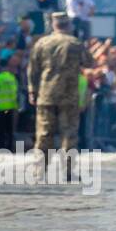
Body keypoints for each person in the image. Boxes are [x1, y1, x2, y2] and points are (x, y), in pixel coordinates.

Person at [26, 13, 89, 172]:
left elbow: (33, 69)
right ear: (68, 25)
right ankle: (68, 170)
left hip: (46, 93)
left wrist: (32, 91)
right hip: (69, 94)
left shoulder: (42, 43)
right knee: (69, 133)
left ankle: (40, 168)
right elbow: (89, 61)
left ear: (53, 24)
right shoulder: (75, 43)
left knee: (44, 133)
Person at [0, 53, 18, 152]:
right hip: (10, 107)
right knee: (9, 129)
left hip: (0, 107)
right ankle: (9, 147)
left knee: (1, 129)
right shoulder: (12, 77)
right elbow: (15, 91)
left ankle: (1, 147)